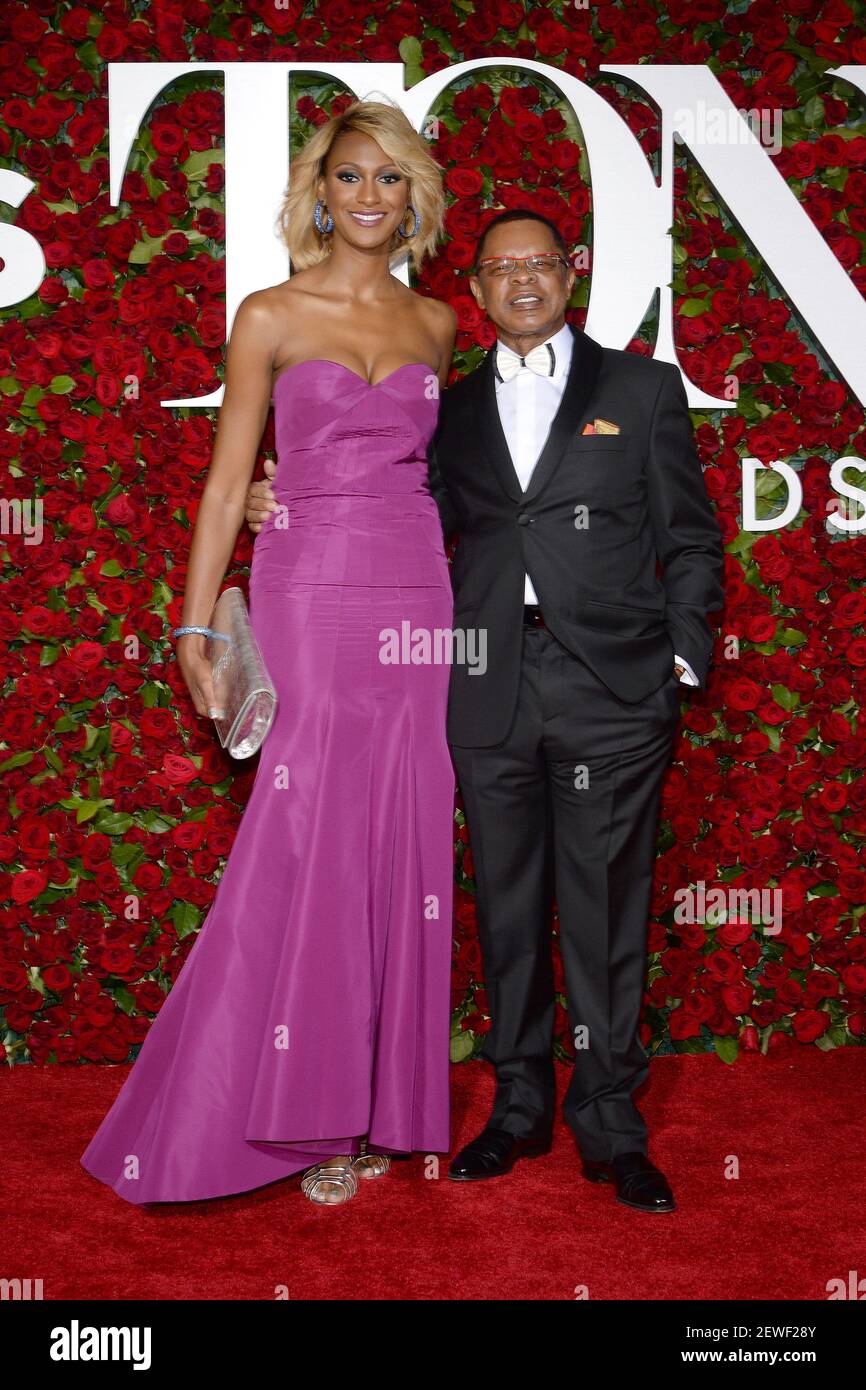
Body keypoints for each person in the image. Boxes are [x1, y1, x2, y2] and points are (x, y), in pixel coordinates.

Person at [246, 207, 725, 1214]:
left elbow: (689, 534)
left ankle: (608, 1123)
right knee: (505, 909)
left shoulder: (638, 389)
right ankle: (516, 1110)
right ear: (472, 285)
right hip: (481, 685)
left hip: (609, 691)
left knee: (602, 914)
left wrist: (677, 658)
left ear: (569, 274)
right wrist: (277, 498)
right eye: (499, 268)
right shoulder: (447, 410)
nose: (520, 282)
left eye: (537, 264)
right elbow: (387, 504)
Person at [80, 100, 457, 1207]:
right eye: (350, 177)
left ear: (413, 199)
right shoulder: (269, 315)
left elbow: (441, 478)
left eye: (390, 180)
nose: (370, 198)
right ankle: (306, 1112)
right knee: (310, 833)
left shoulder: (437, 325)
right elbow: (219, 483)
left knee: (401, 835)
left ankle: (384, 1105)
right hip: (308, 593)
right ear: (320, 192)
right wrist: (195, 629)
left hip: (417, 596)